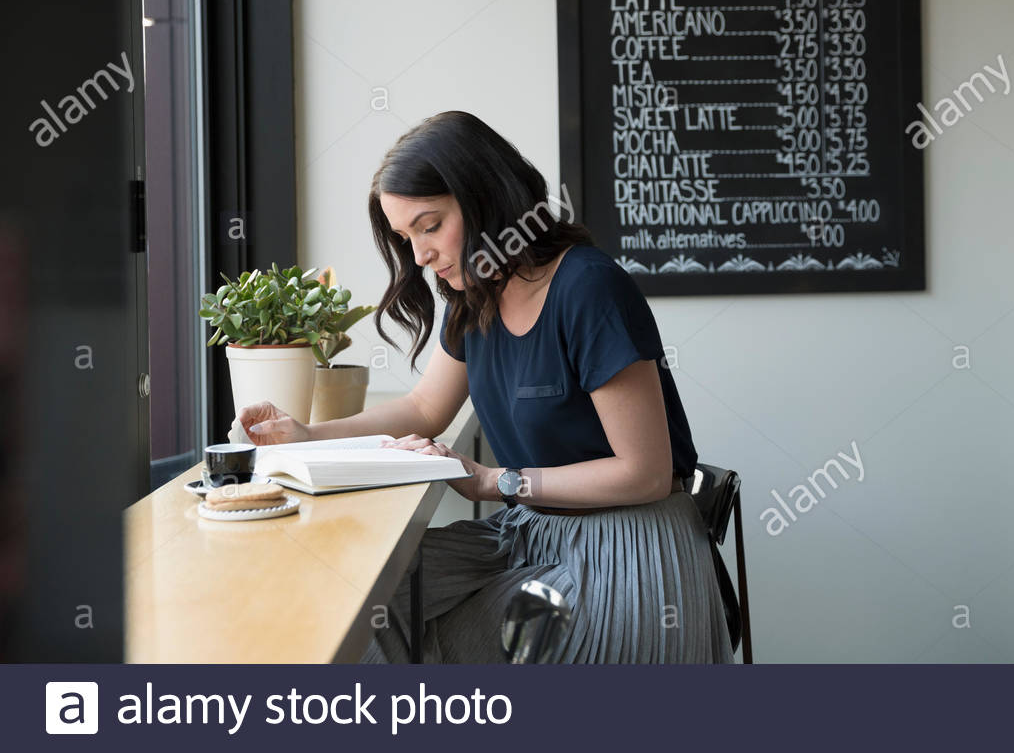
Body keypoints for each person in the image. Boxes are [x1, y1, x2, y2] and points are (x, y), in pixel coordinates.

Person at [238, 110, 734, 663]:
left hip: (626, 553)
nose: (420, 255)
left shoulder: (588, 288)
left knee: (452, 643)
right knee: (362, 595)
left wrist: (497, 482)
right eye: (407, 237)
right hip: (535, 535)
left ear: (486, 198)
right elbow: (424, 407)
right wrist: (308, 434)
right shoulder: (474, 298)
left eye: (430, 226)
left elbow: (644, 473)